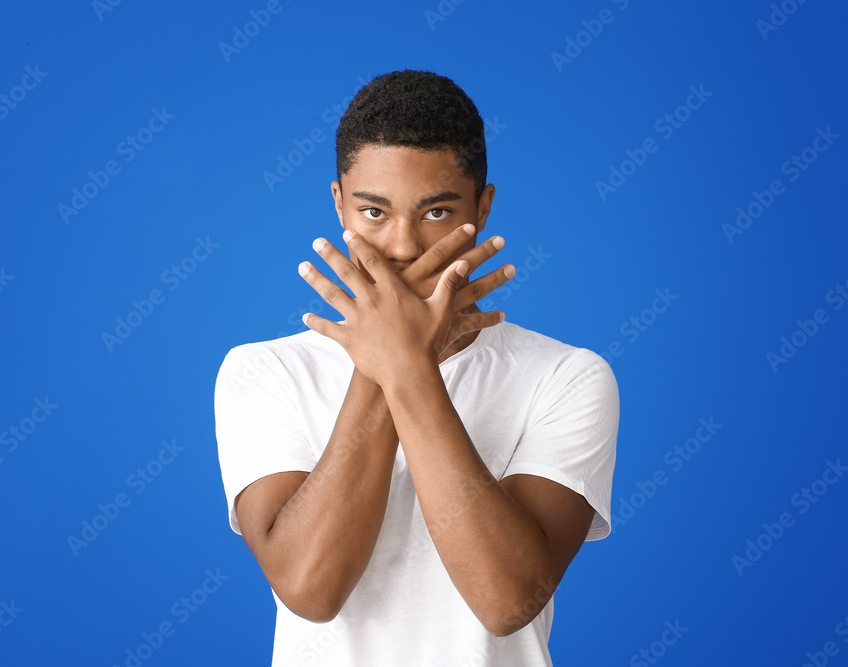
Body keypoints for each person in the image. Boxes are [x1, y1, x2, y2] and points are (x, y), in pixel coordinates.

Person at [215, 69, 619, 666]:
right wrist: (392, 357)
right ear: (339, 203)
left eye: (436, 212)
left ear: (482, 207)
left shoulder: (567, 377)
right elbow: (311, 588)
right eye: (373, 212)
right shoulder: (263, 371)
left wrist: (405, 364)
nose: (403, 246)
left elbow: (506, 600)